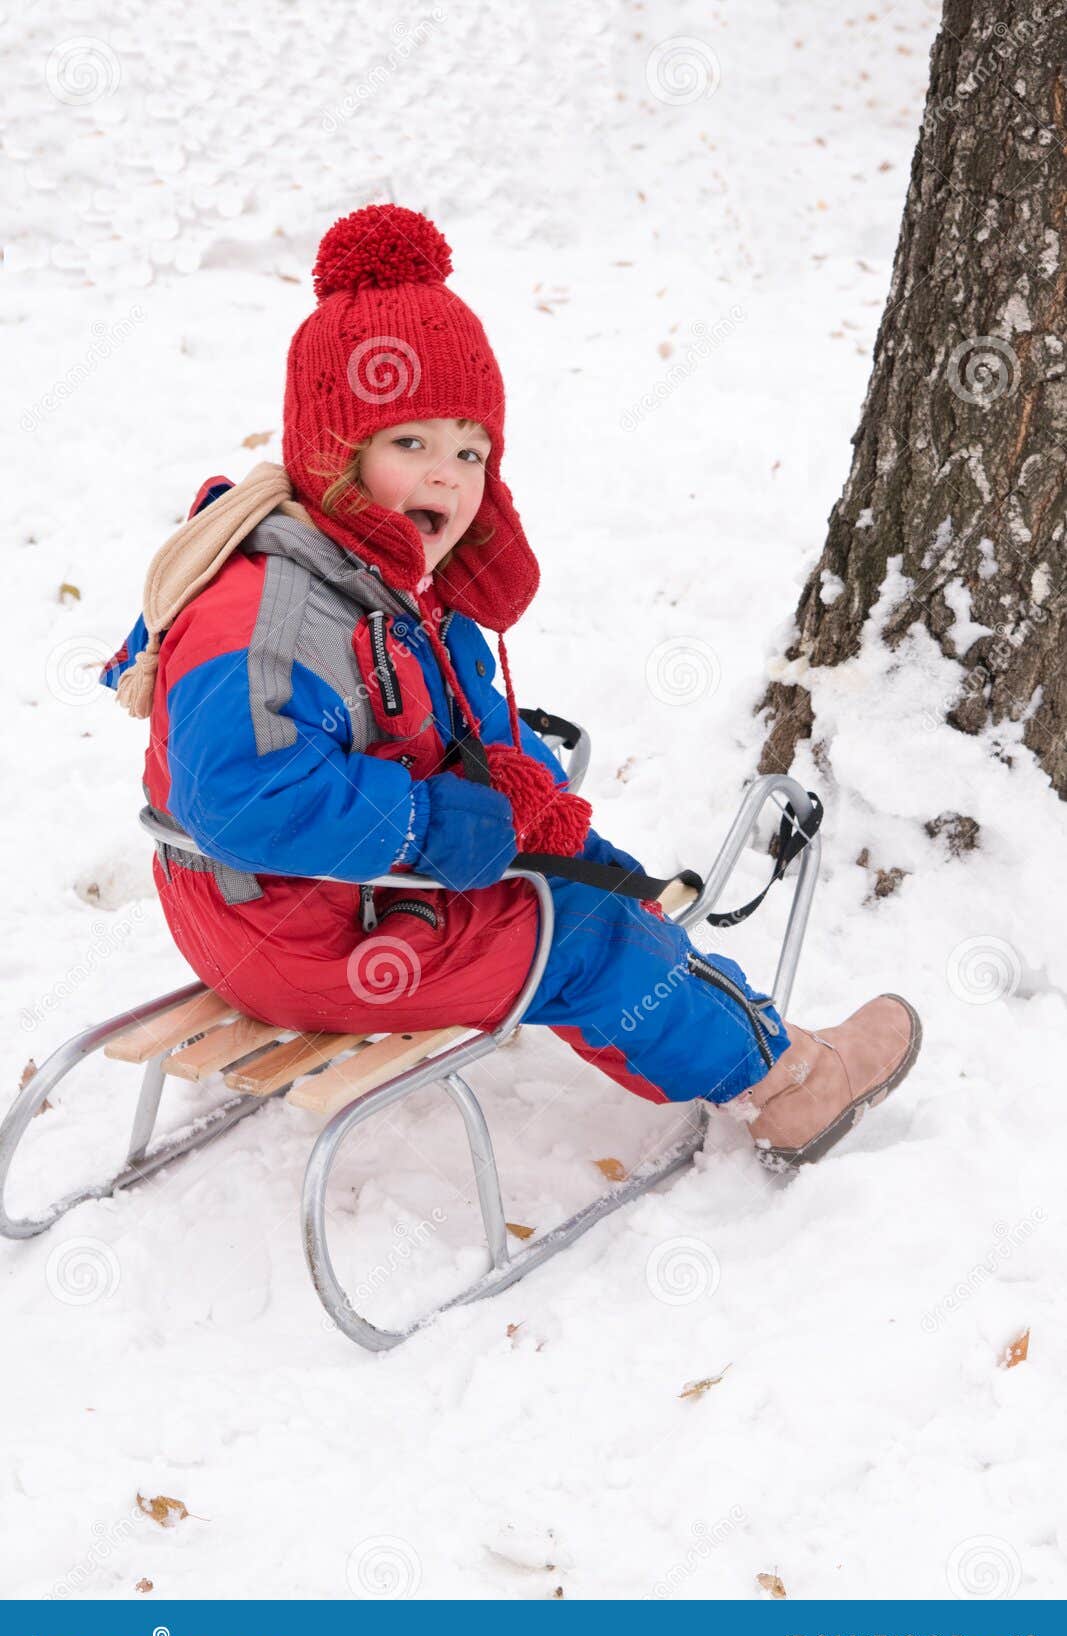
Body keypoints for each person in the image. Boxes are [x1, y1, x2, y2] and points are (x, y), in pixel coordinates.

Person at [99, 203, 921, 1170]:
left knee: (591, 885)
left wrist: (541, 814)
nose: (446, 477)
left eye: (469, 451)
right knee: (584, 933)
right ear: (334, 449)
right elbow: (244, 796)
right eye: (409, 443)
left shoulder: (386, 583)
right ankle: (792, 1089)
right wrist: (425, 827)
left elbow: (461, 725)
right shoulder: (270, 622)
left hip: (319, 909)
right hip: (296, 935)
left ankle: (691, 1000)